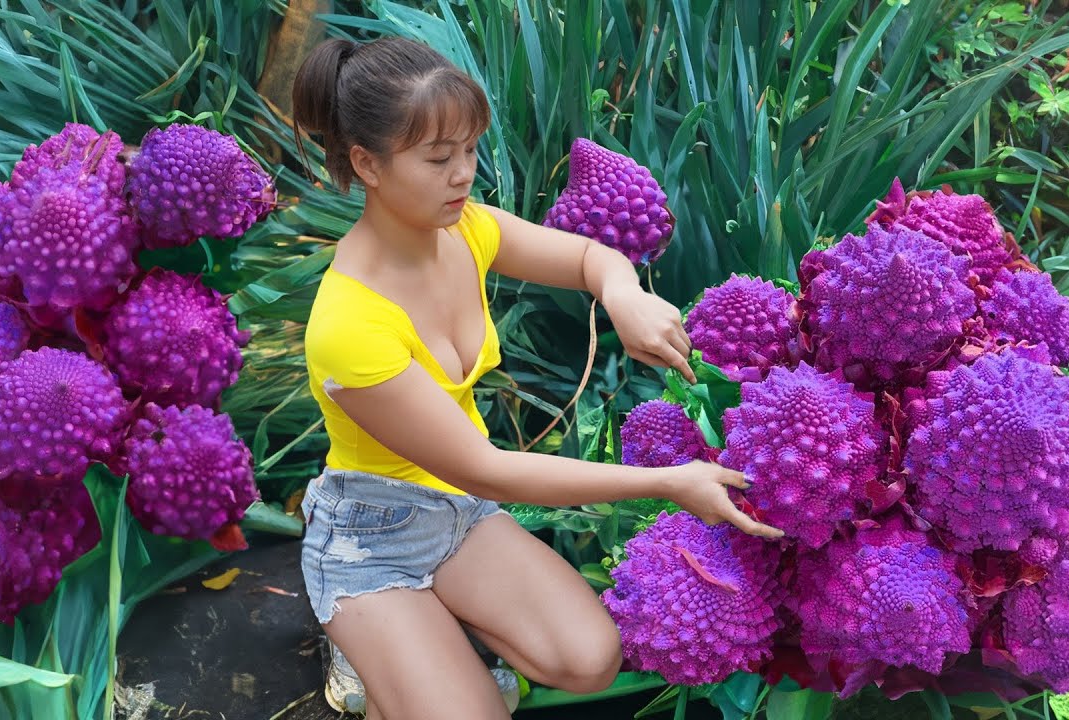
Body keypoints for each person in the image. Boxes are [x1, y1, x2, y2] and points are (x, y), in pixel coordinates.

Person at [291, 36, 783, 720]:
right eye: (438, 159)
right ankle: (384, 648)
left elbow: (589, 257)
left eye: (468, 150)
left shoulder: (466, 233)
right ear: (367, 164)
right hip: (371, 537)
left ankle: (426, 657)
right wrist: (670, 481)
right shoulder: (348, 324)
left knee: (588, 658)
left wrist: (623, 294)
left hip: (457, 514)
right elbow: (488, 471)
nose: (463, 174)